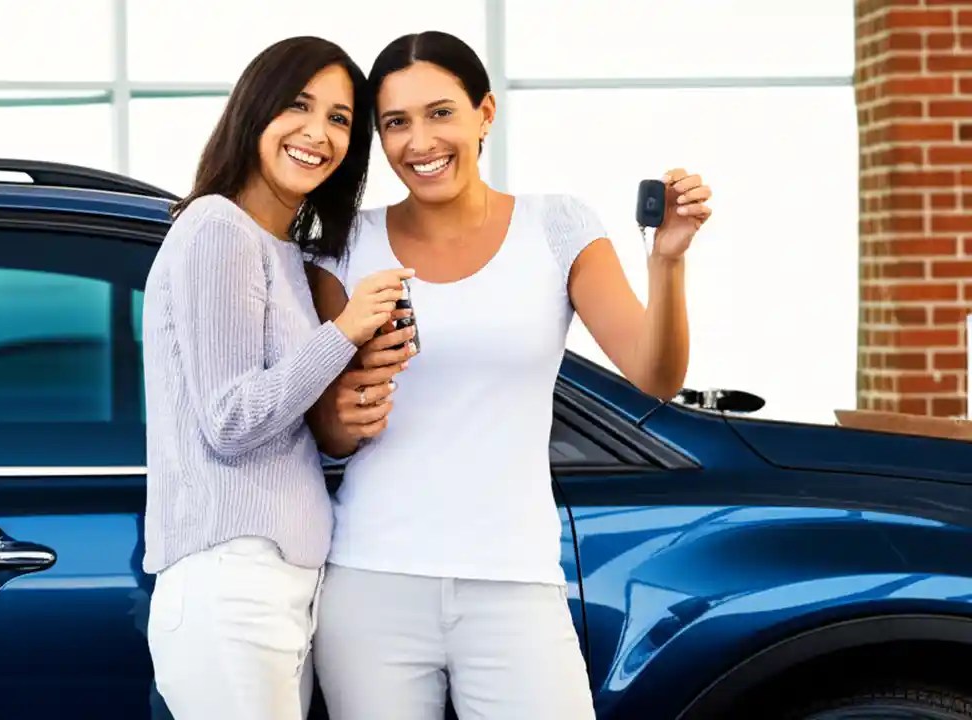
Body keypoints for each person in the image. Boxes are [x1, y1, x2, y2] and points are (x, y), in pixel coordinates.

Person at [304, 30, 713, 719]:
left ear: (484, 113)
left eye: (440, 113)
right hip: (372, 583)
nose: (420, 142)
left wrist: (666, 260)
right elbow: (329, 433)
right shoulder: (343, 247)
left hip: (515, 583)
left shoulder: (557, 227)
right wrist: (346, 415)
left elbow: (655, 375)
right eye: (396, 122)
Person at [140, 35, 417, 720]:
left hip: (279, 588)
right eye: (299, 105)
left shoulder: (283, 253)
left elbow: (279, 419)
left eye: (340, 119)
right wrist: (344, 330)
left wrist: (344, 420)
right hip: (231, 584)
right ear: (254, 108)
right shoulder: (217, 229)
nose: (317, 133)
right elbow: (231, 421)